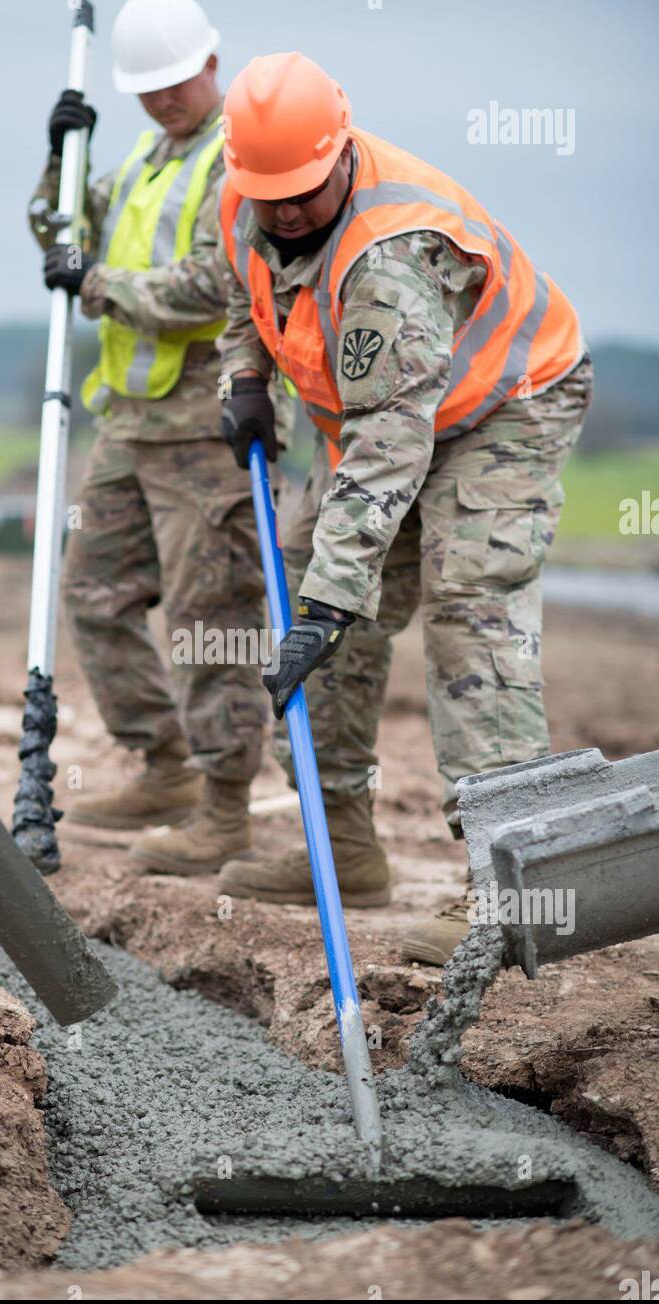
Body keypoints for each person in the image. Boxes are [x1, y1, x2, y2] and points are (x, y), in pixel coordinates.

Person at [215, 52, 592, 962]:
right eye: (270, 194)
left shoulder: (393, 256)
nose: (288, 210)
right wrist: (246, 375)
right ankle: (342, 846)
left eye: (305, 190)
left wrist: (334, 603)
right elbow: (244, 286)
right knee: (315, 593)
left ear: (341, 151)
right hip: (385, 416)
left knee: (470, 610)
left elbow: (391, 445)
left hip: (507, 404)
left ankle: (513, 895)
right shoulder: (247, 193)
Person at [30, 0, 291, 877]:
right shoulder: (147, 157)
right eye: (146, 92)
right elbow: (60, 233)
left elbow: (219, 283)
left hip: (208, 426)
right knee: (93, 594)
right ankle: (163, 765)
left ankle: (224, 809)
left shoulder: (244, 157)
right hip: (129, 422)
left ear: (211, 63)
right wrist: (58, 161)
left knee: (211, 616)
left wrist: (100, 285)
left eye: (174, 85)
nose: (162, 102)